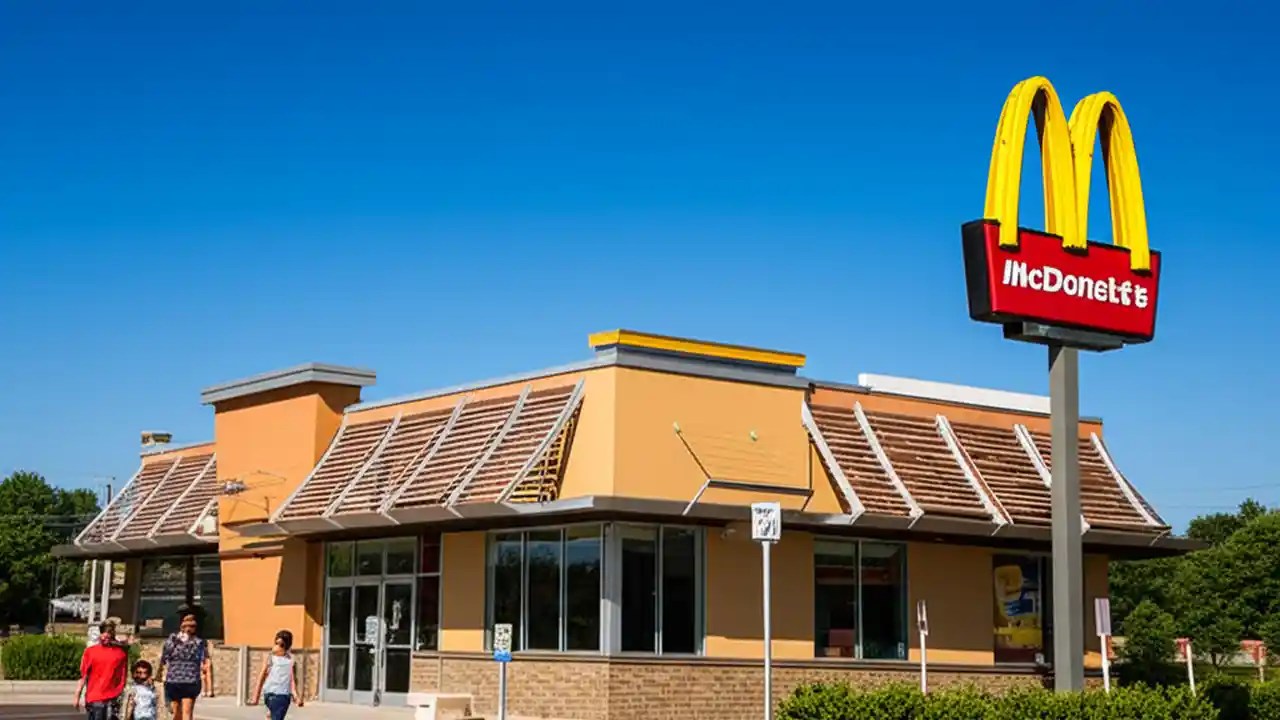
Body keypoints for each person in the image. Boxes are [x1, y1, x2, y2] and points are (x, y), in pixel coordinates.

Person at [158, 611, 211, 720]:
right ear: (181, 625)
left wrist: (206, 678)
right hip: (173, 680)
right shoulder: (172, 640)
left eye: (193, 626)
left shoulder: (199, 642)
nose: (190, 628)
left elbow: (204, 660)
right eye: (187, 625)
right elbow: (164, 656)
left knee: (187, 712)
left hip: (190, 680)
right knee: (176, 712)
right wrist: (159, 673)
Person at [75, 621, 129, 720]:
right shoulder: (90, 652)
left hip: (113, 697)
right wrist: (77, 696)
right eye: (104, 632)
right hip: (95, 697)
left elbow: (123, 676)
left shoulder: (120, 654)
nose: (106, 636)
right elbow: (84, 676)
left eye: (109, 633)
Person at [250, 629, 303, 720]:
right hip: (269, 694)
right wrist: (256, 696)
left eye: (281, 645)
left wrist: (296, 696)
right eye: (276, 643)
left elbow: (292, 680)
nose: (277, 647)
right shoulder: (270, 658)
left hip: (283, 695)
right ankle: (270, 713)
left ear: (287, 647)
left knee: (273, 716)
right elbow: (261, 677)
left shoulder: (290, 661)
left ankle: (270, 713)